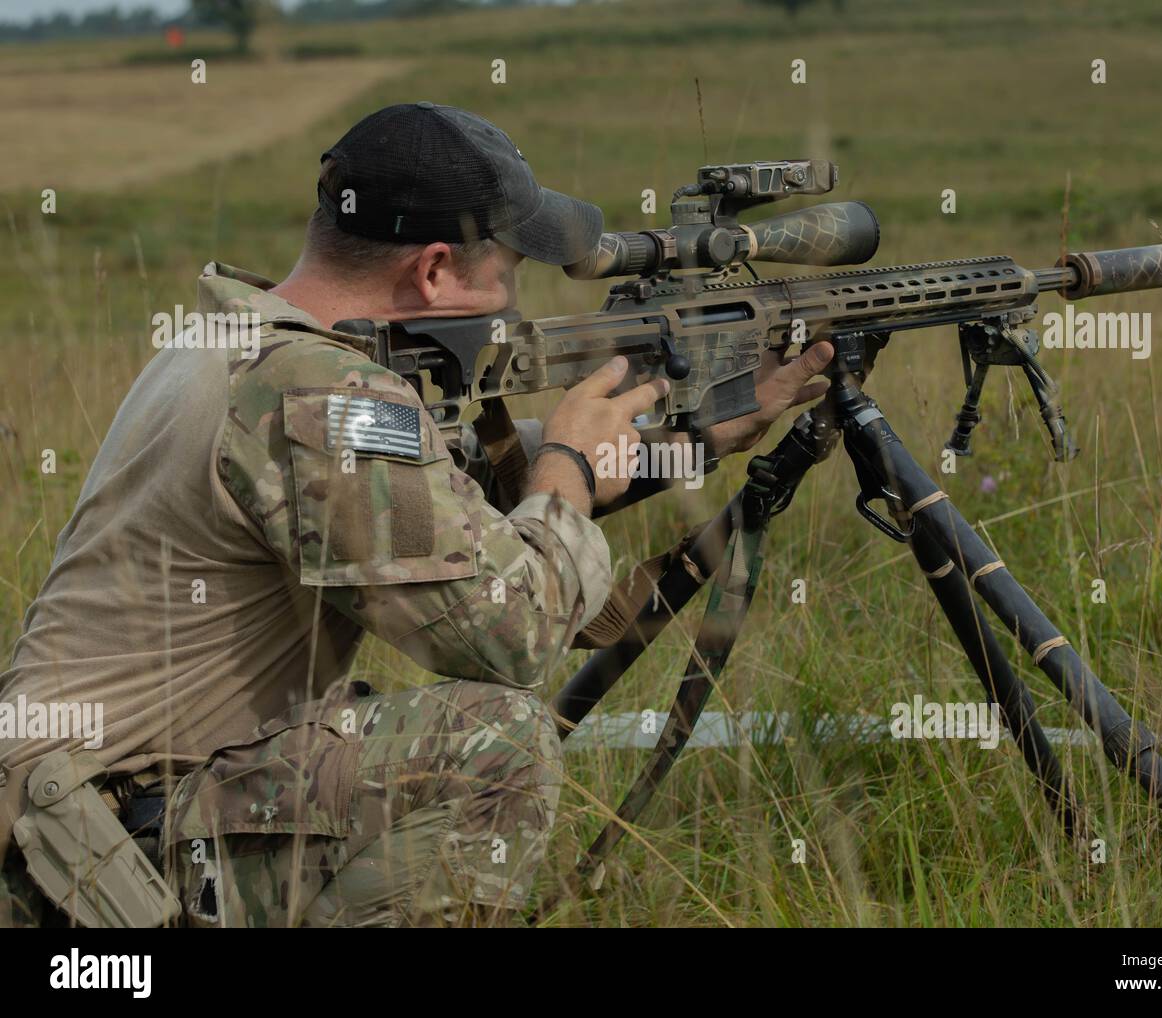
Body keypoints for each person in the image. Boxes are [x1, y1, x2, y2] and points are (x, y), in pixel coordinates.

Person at [0, 102, 833, 927]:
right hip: (95, 864)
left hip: (94, 815)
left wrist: (691, 436)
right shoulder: (318, 391)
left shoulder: (240, 341)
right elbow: (512, 639)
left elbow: (432, 486)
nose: (514, 297)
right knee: (493, 743)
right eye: (508, 266)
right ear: (434, 272)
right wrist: (570, 465)